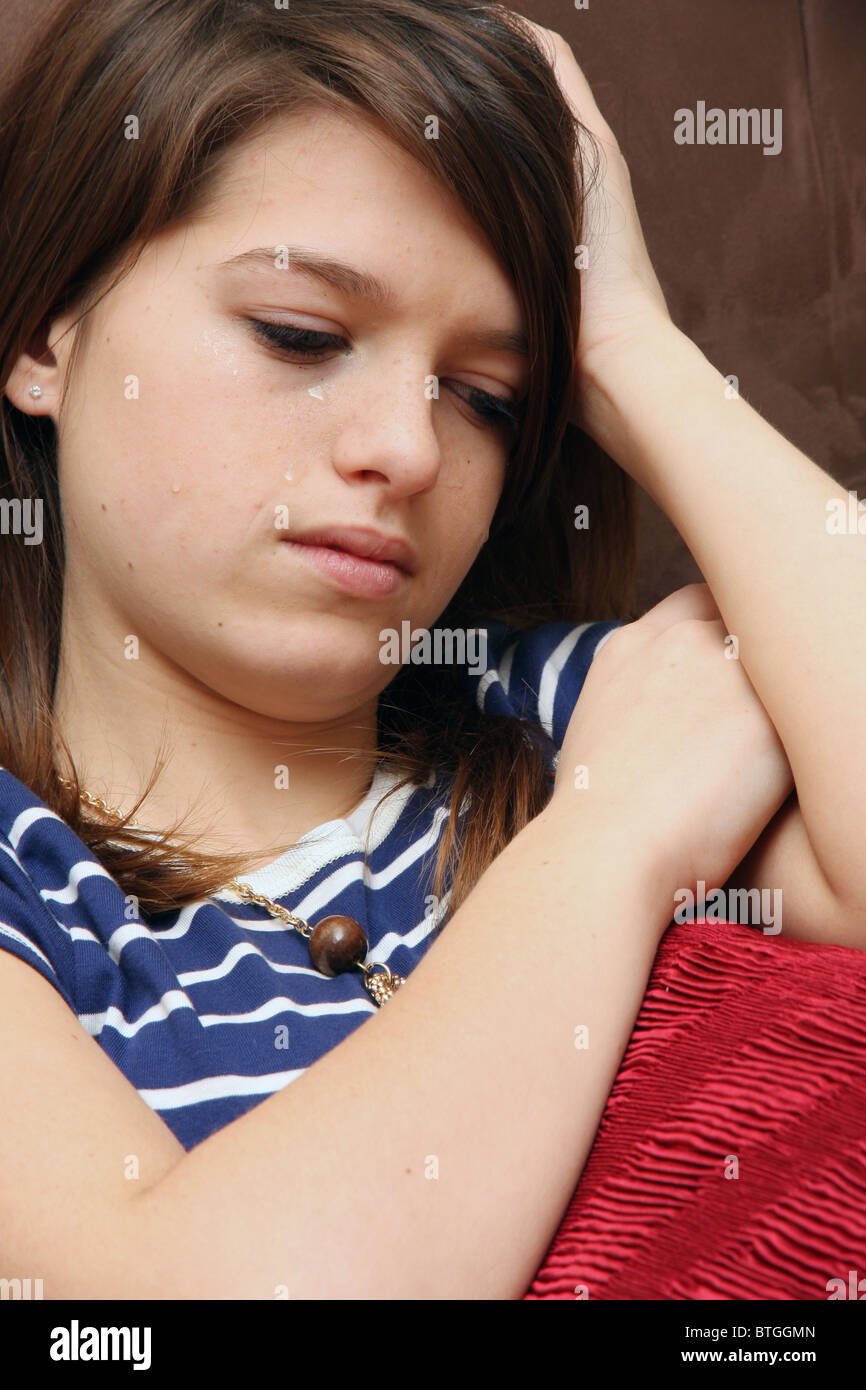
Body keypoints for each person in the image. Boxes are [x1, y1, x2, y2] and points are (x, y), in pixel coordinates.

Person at [0, 0, 862, 1300]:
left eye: (485, 397)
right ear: (45, 335)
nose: (406, 451)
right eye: (300, 334)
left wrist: (634, 352)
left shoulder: (575, 713)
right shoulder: (628, 772)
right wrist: (610, 839)